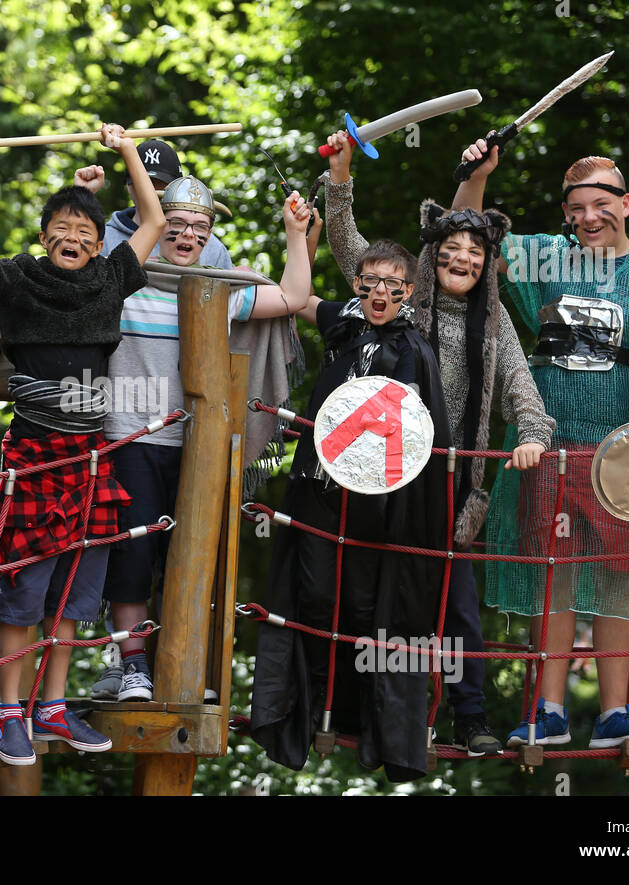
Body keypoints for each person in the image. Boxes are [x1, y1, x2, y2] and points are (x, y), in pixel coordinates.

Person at [0, 124, 162, 765]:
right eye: (62, 228)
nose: (74, 238)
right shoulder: (18, 278)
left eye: (85, 232)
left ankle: (53, 709)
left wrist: (125, 152)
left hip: (92, 459)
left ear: (97, 245)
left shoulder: (112, 277)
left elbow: (152, 218)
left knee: (72, 595)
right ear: (43, 237)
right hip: (34, 456)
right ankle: (10, 713)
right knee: (24, 590)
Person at [319, 130, 554, 757]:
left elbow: (521, 392)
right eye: (451, 249)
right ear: (432, 256)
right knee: (376, 603)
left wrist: (531, 435)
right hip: (386, 477)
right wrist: (339, 178)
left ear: (487, 266)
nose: (464, 261)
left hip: (453, 487)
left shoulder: (494, 321)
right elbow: (349, 249)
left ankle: (470, 719)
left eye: (475, 255)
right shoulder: (399, 301)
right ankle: (364, 718)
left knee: (458, 611)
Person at [455, 137, 629, 749]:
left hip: (621, 452)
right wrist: (475, 177)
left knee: (618, 577)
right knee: (551, 575)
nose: (588, 217)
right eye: (576, 207)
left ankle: (616, 714)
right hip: (547, 449)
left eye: (601, 203)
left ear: (627, 203)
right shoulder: (546, 258)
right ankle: (546, 711)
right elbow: (468, 239)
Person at [87, 174, 314, 703]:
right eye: (176, 224)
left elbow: (295, 295)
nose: (187, 235)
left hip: (198, 445)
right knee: (133, 557)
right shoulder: (123, 283)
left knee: (192, 556)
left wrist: (295, 232)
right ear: (157, 225)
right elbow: (76, 258)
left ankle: (186, 667)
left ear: (209, 235)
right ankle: (133, 667)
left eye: (199, 226)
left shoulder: (219, 291)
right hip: (131, 439)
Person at [251, 238, 454, 780]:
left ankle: (364, 721)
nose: (378, 291)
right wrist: (278, 253)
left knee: (366, 609)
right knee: (314, 597)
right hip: (317, 491)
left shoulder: (414, 351)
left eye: (391, 283)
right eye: (368, 281)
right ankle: (309, 705)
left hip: (373, 505)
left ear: (408, 291)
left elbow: (412, 437)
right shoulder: (346, 321)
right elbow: (300, 298)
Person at [73, 138, 233, 267]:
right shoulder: (103, 239)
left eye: (161, 184)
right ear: (128, 185)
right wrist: (80, 198)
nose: (151, 191)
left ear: (178, 189)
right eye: (143, 182)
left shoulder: (209, 245)